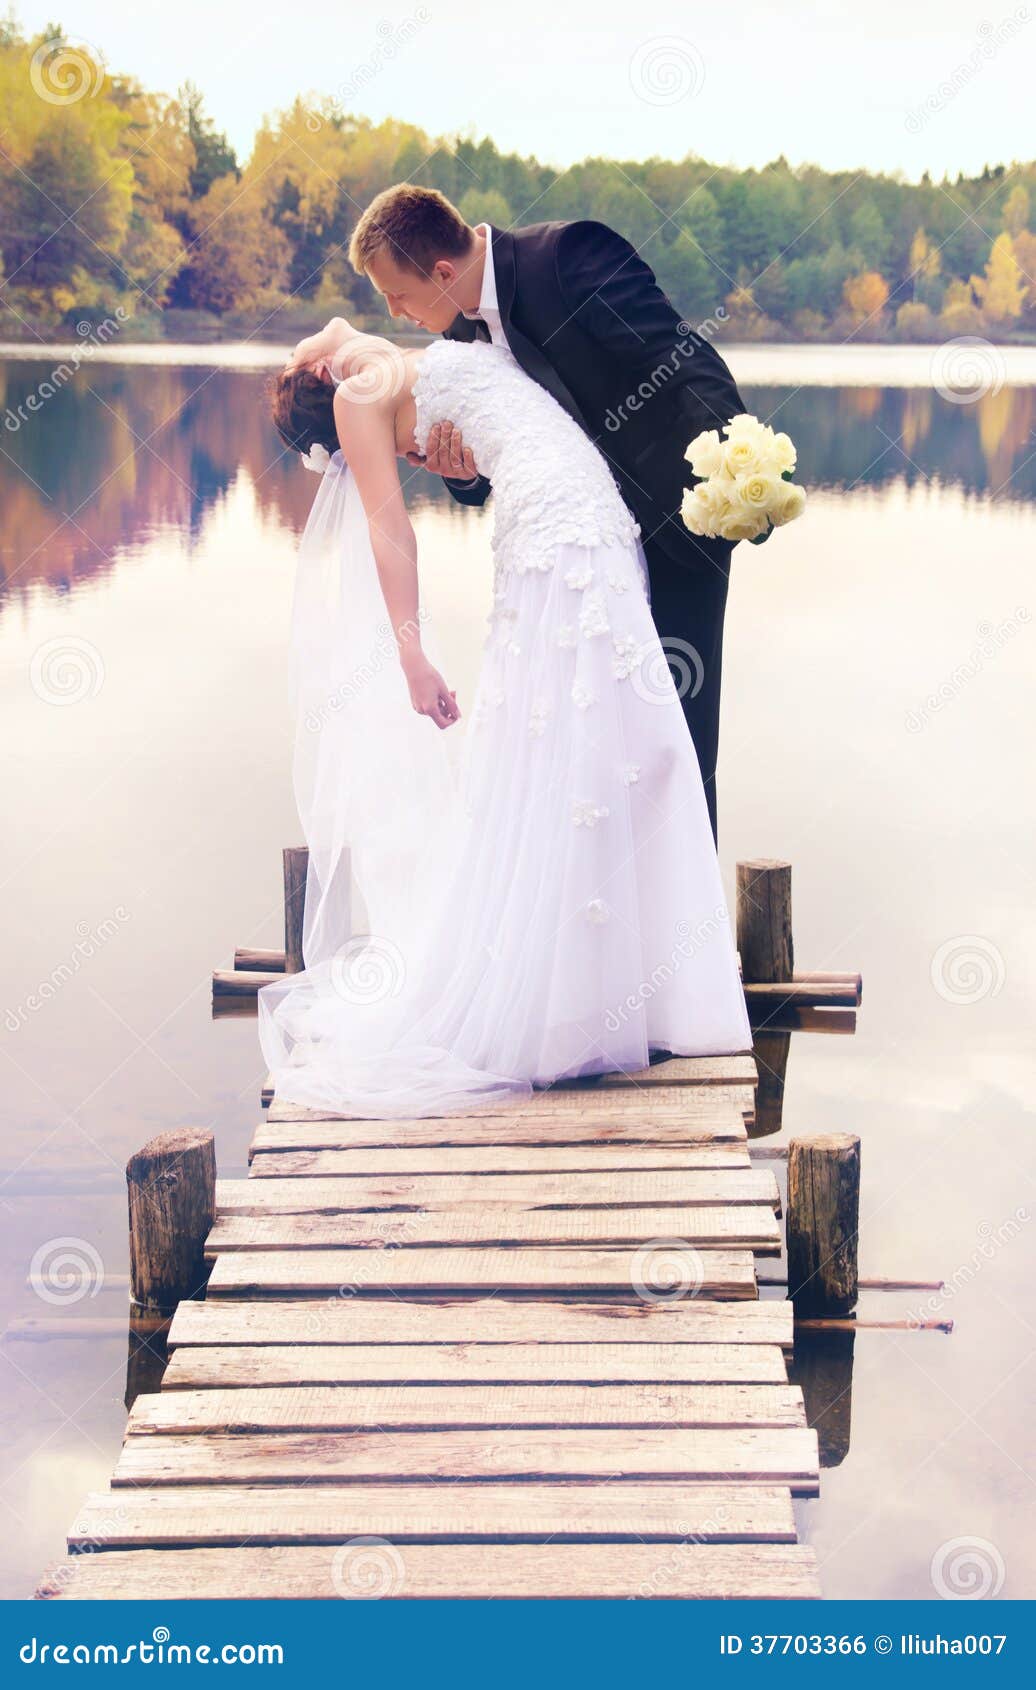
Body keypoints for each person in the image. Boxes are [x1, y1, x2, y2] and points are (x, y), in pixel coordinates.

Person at [258, 317, 750, 1120]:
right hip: (559, 525)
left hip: (584, 516)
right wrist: (411, 655)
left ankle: (627, 993)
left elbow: (348, 347)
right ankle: (574, 1001)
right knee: (583, 748)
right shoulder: (368, 382)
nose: (412, 458)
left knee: (622, 746)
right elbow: (392, 525)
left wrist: (328, 350)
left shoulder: (371, 368)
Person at [348, 184, 747, 843]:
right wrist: (463, 472)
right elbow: (493, 463)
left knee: (676, 737)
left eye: (397, 295)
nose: (394, 311)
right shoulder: (456, 330)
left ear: (442, 272)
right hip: (565, 555)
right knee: (582, 742)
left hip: (672, 528)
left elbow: (681, 359)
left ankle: (687, 902)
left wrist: (736, 469)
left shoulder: (568, 256)